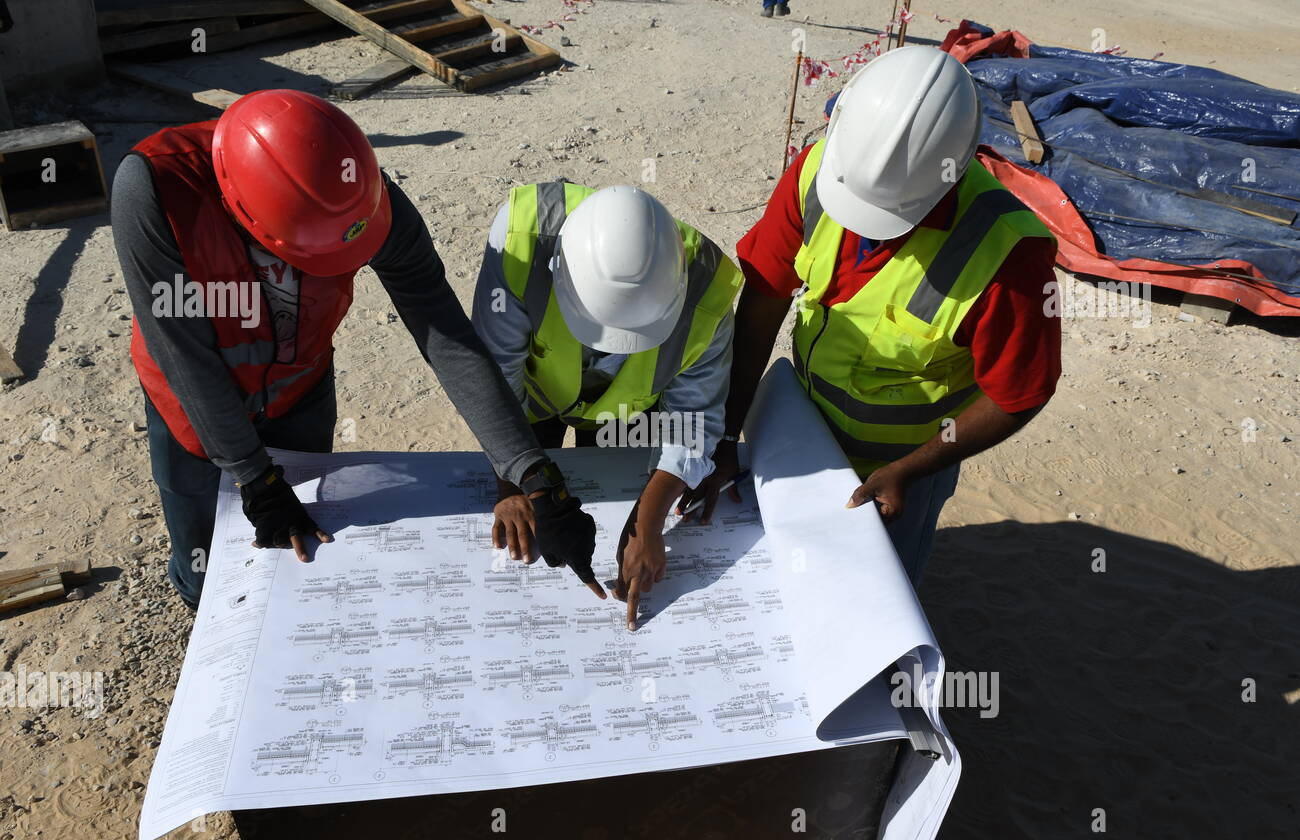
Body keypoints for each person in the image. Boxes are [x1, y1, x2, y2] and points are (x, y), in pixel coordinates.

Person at [113, 89, 600, 610]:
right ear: (246, 213)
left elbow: (445, 332)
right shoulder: (156, 188)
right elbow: (184, 355)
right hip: (189, 406)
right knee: (204, 544)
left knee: (303, 545)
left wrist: (532, 469)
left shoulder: (361, 199)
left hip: (299, 387)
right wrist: (254, 478)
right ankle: (202, 621)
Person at [680, 46, 1061, 587]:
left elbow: (1017, 393)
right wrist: (726, 431)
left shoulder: (1007, 253)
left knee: (875, 590)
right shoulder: (816, 171)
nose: (863, 228)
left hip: (903, 465)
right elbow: (765, 298)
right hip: (799, 430)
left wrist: (914, 467)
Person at [471, 184, 743, 629]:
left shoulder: (706, 298)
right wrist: (513, 482)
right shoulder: (519, 242)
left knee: (604, 463)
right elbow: (493, 378)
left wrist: (648, 522)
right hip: (532, 405)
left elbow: (695, 420)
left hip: (624, 416)